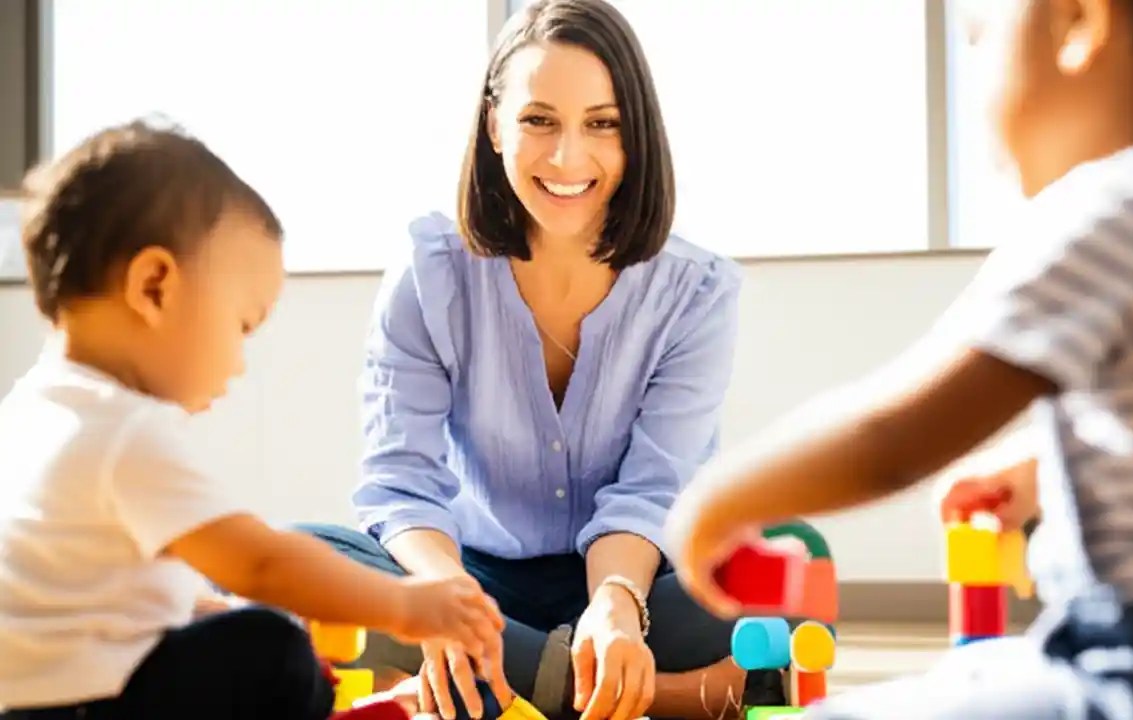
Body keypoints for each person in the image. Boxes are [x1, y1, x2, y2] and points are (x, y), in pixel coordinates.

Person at [665, 0, 1133, 717]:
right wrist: (1041, 471)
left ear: (1080, 21)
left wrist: (720, 499)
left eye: (979, 38)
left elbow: (890, 439)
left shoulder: (1113, 209)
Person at [299, 1, 759, 719]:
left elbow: (654, 489)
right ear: (493, 127)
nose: (567, 157)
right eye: (538, 120)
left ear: (634, 135)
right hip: (470, 576)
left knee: (774, 575)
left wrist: (617, 606)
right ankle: (640, 697)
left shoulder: (696, 294)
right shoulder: (429, 275)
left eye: (601, 124)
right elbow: (403, 486)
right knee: (294, 567)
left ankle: (506, 688)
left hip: (633, 583)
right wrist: (444, 605)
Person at [0, 120, 505, 719]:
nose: (239, 364)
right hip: (93, 707)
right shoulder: (125, 430)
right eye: (241, 325)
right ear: (155, 286)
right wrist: (404, 605)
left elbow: (143, 605)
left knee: (243, 623)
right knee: (273, 649)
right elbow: (258, 560)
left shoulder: (34, 412)